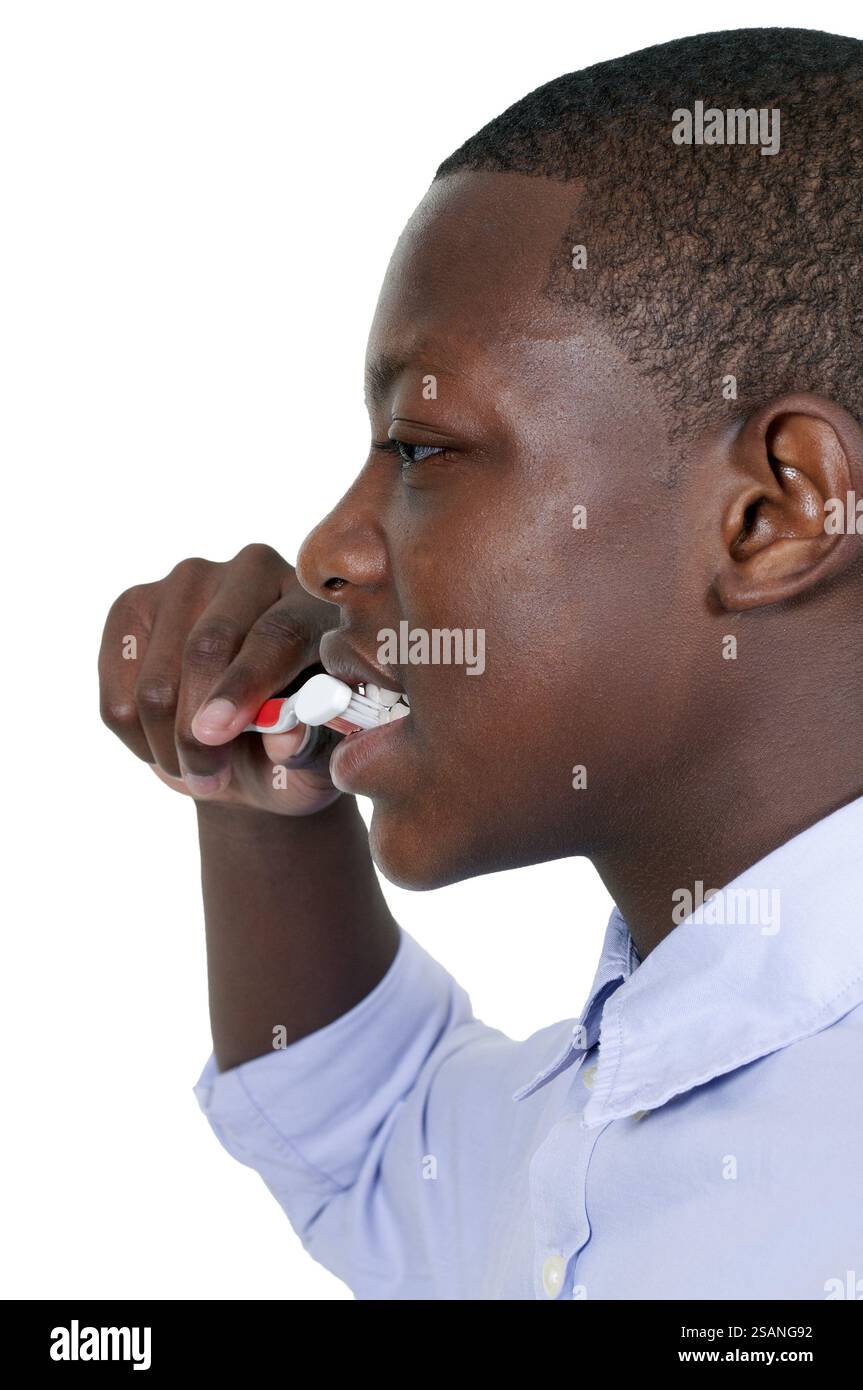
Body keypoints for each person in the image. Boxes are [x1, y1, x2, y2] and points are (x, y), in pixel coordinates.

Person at [99, 27, 863, 1299]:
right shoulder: (617, 1112)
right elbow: (370, 1138)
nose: (329, 548)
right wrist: (264, 807)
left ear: (771, 514)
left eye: (421, 447)